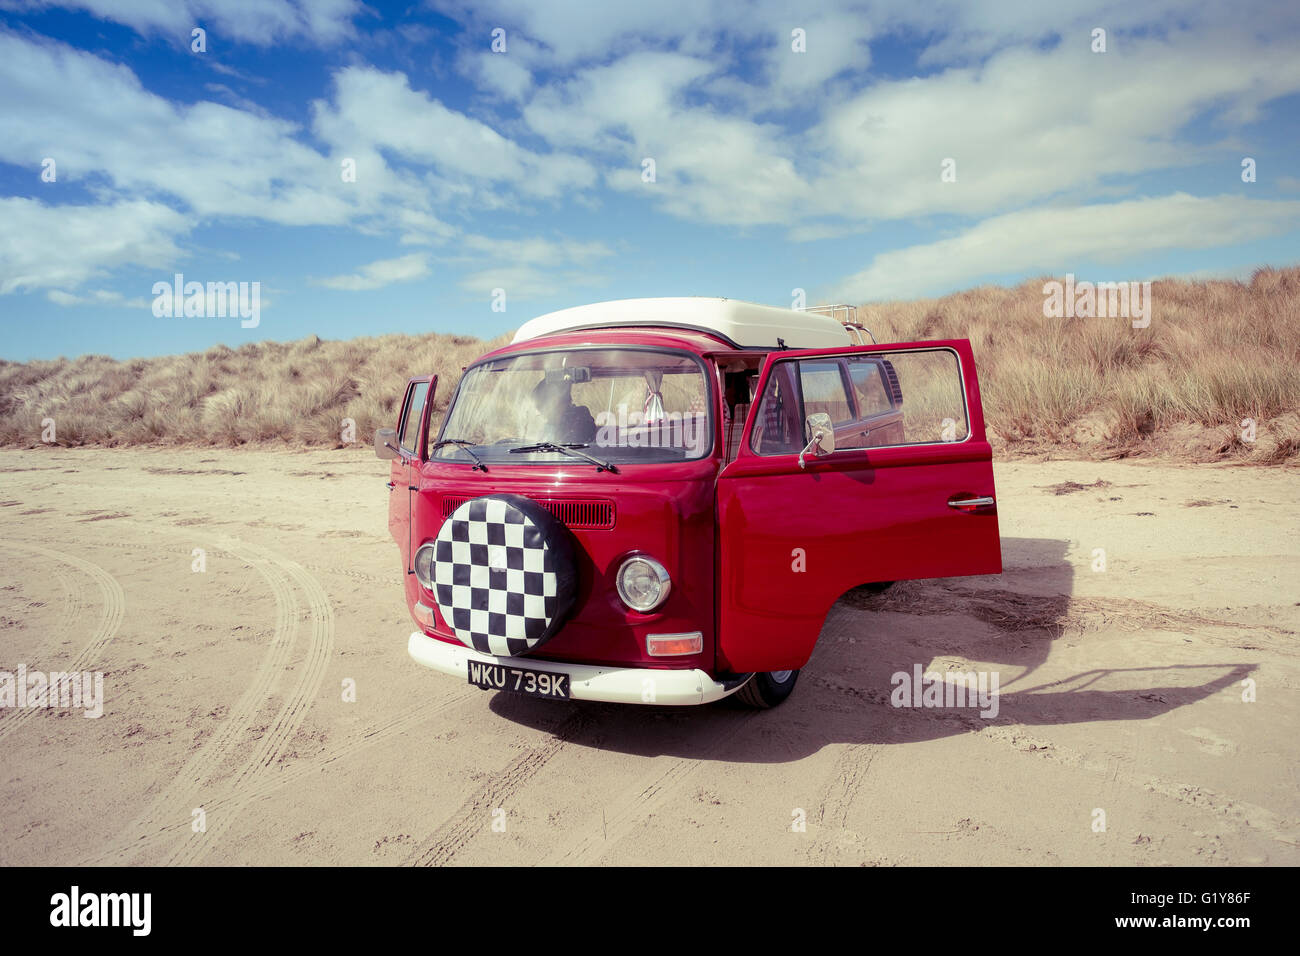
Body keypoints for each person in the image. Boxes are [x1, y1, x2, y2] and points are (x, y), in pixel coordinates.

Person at [530, 376, 597, 444]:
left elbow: (576, 446)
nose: (540, 413)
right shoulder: (549, 426)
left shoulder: (581, 419)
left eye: (542, 407)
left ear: (558, 402)